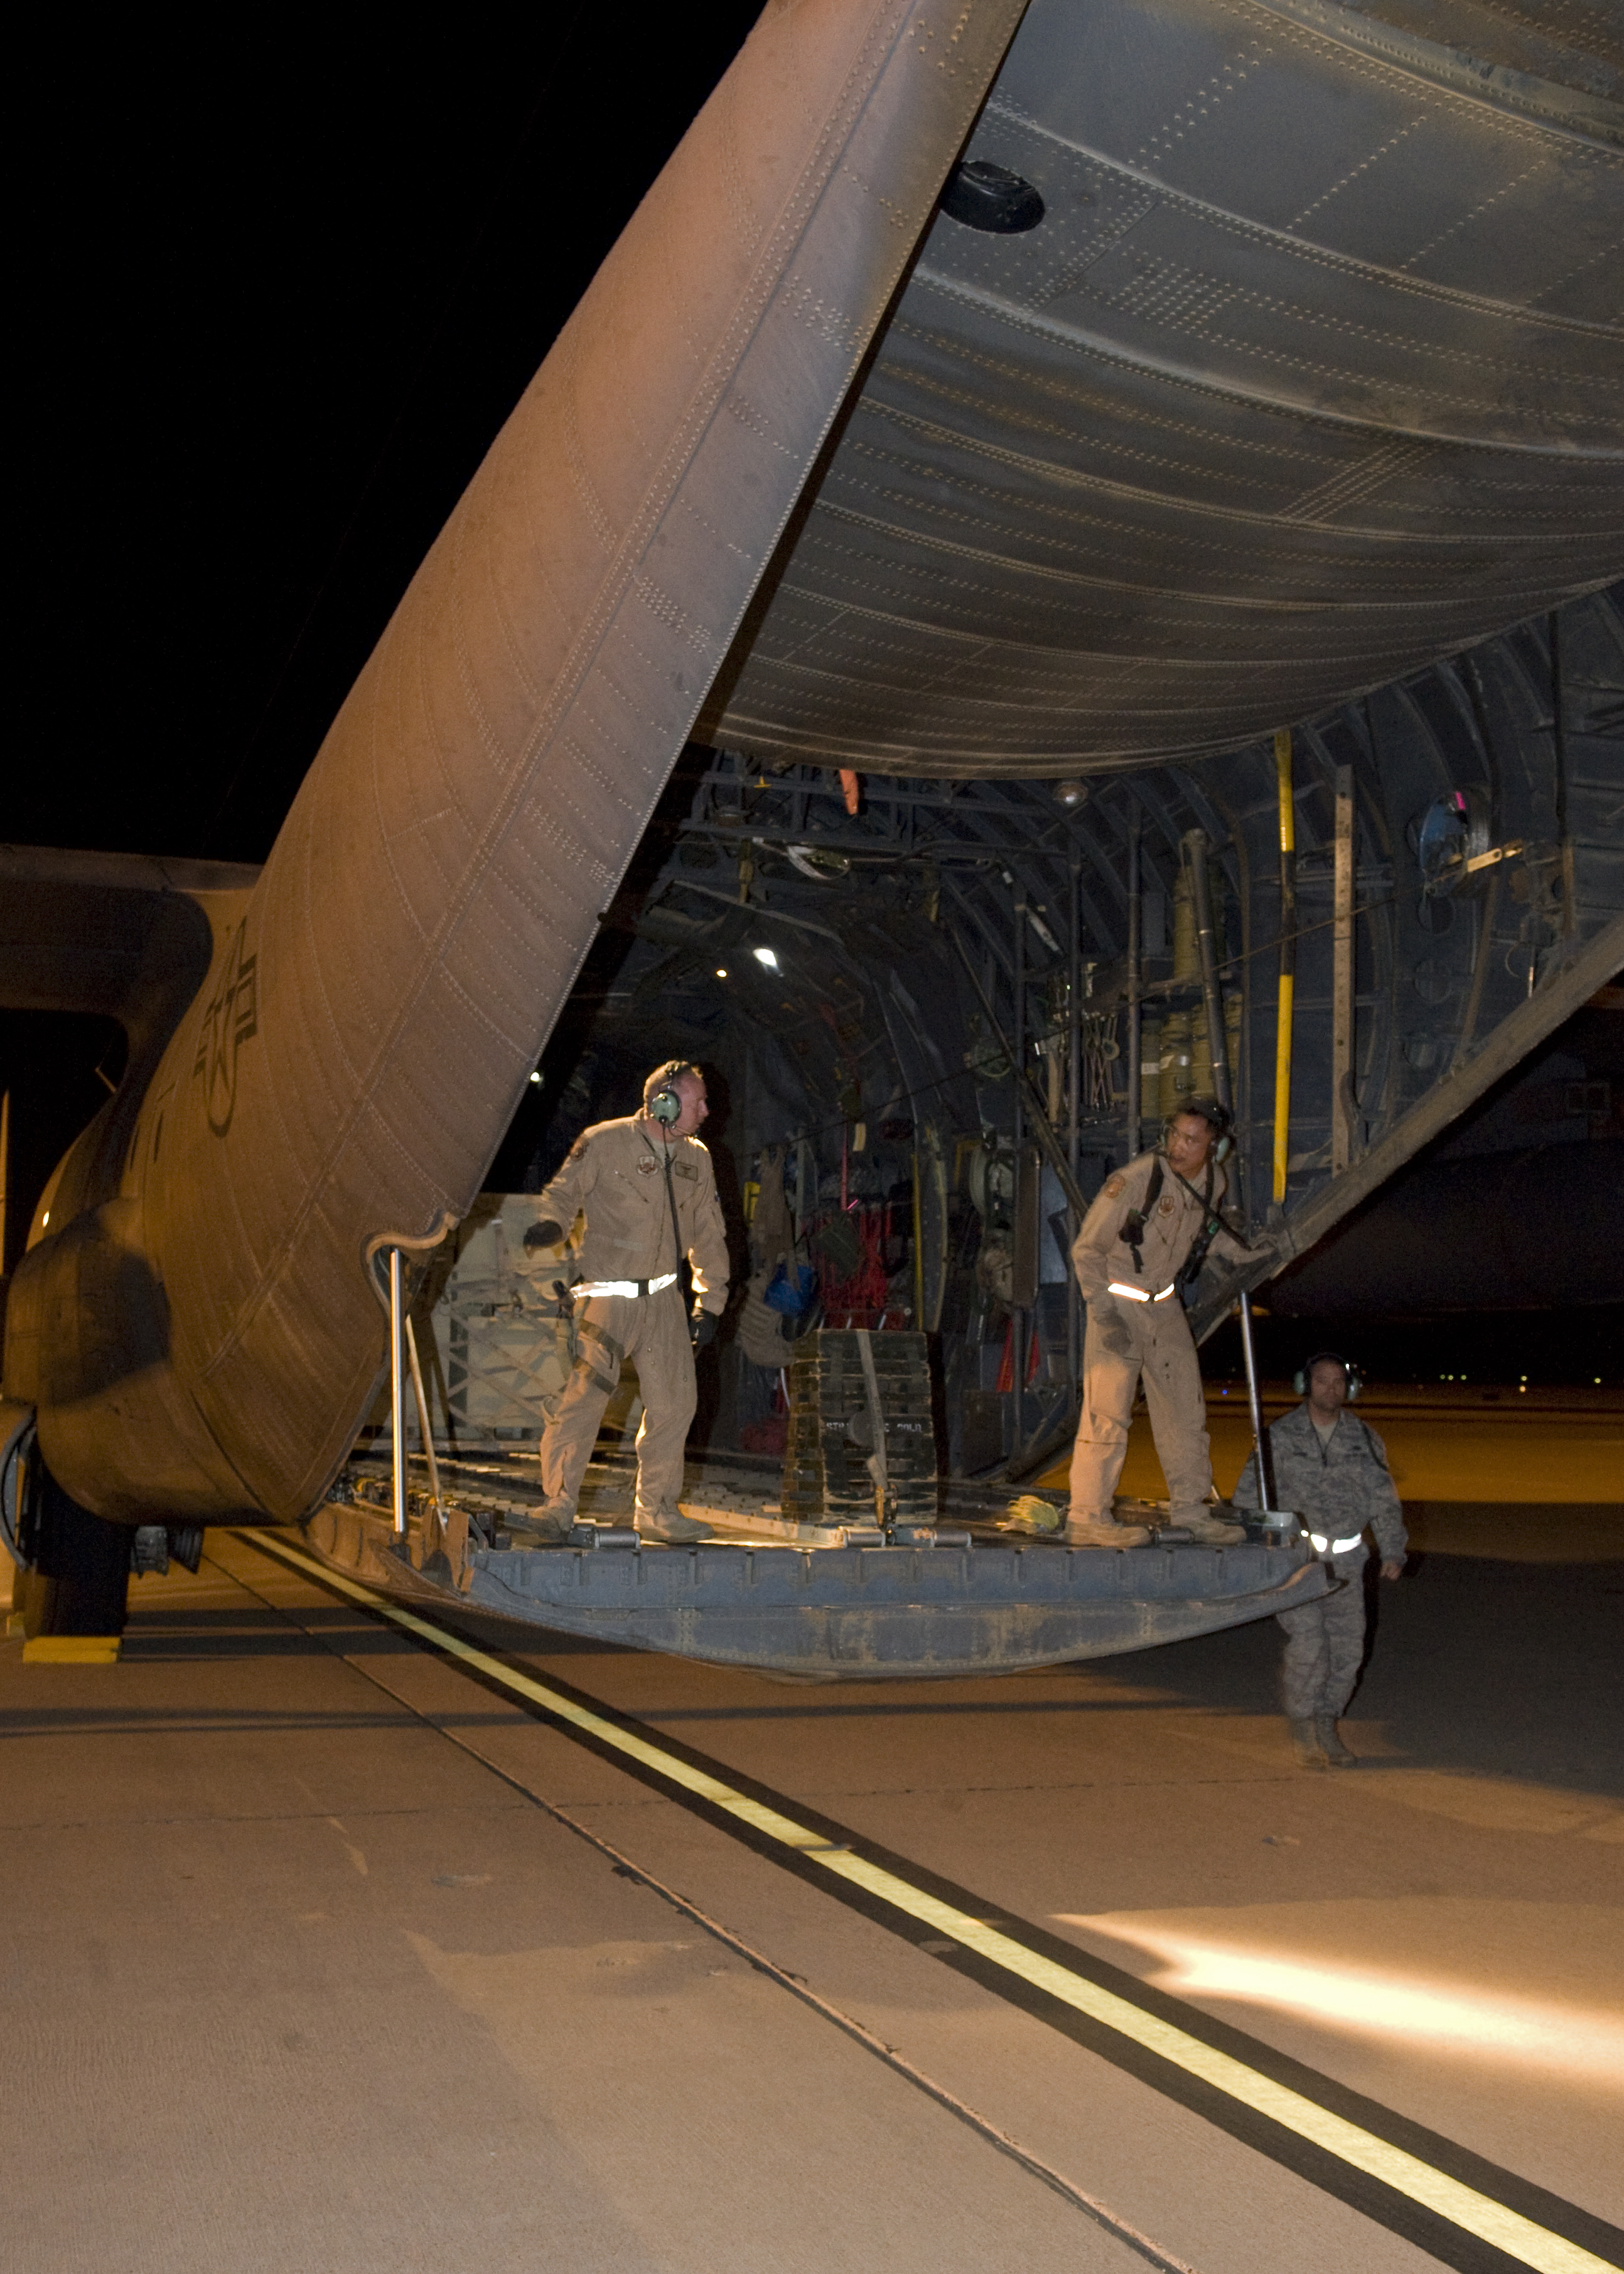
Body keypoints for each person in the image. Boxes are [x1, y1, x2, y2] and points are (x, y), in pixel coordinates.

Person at [525, 1060, 729, 1544]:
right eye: (697, 1101)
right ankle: (558, 1505)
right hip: (607, 1298)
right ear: (664, 1101)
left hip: (662, 1301)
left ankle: (656, 1510)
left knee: (676, 1404)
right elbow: (563, 1191)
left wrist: (711, 1301)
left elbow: (708, 1232)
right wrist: (550, 1222)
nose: (705, 1110)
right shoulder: (603, 1141)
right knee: (584, 1402)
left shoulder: (696, 1159)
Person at [1053, 1101, 1254, 1548]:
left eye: (1192, 1140)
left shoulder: (1212, 1182)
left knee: (1185, 1413)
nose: (1179, 1146)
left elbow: (1204, 1230)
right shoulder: (1136, 1179)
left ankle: (1191, 1511)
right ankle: (1086, 1517)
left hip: (1163, 1306)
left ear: (1213, 1147)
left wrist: (1242, 1251)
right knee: (1106, 1415)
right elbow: (1086, 1251)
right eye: (1176, 1135)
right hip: (1119, 1303)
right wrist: (1103, 1313)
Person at [1234, 1352, 1407, 1767]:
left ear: (1349, 1388)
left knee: (1348, 1651)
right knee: (1310, 1644)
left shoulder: (1363, 1438)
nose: (1330, 1389)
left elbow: (1383, 1500)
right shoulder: (1279, 1437)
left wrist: (1392, 1548)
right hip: (1299, 1561)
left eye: (1338, 1382)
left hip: (1347, 1566)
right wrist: (1259, 1552)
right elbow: (1247, 1499)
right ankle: (1302, 1726)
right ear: (1304, 1386)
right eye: (1322, 1381)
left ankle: (1326, 1722)